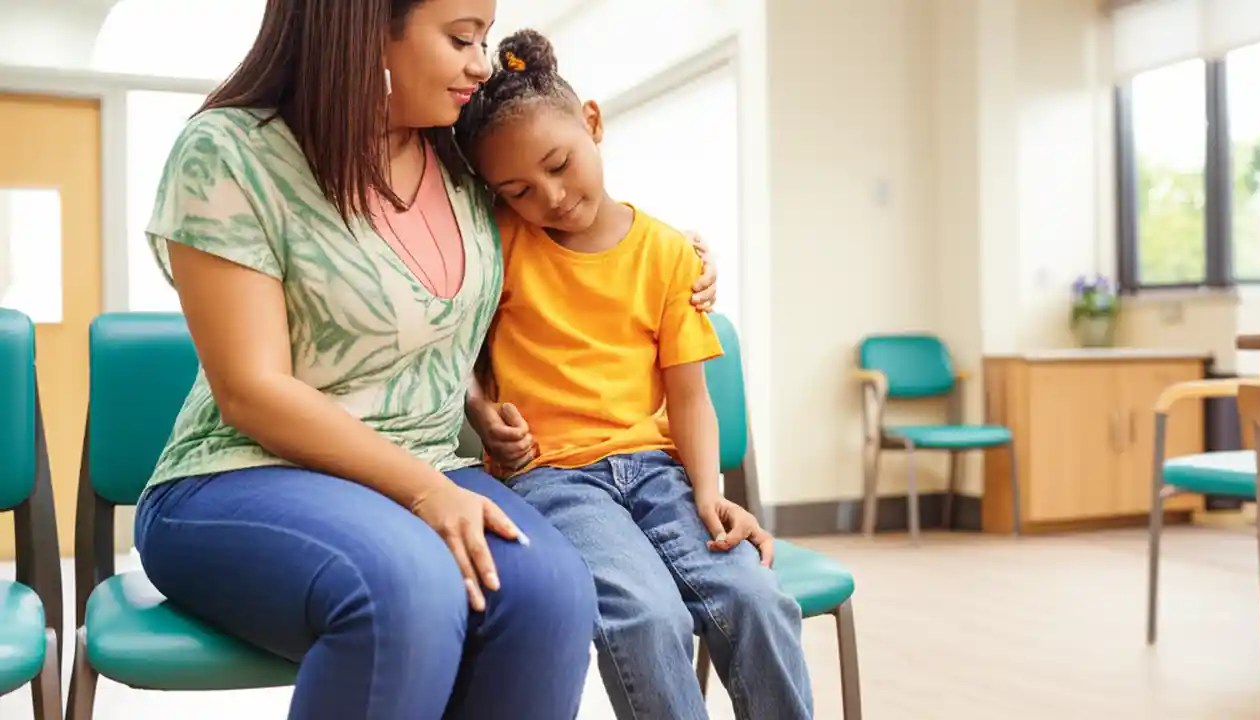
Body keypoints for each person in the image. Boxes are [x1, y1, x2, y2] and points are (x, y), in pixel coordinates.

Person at [131, 1, 718, 719]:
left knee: (552, 591)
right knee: (404, 587)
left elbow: (570, 244)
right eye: (461, 38)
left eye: (484, 38)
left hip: (430, 467)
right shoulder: (230, 153)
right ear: (366, 27)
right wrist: (423, 490)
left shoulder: (462, 162)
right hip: (242, 472)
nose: (481, 61)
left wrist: (682, 256)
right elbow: (251, 391)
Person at [456, 30, 814, 720]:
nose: (551, 198)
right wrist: (479, 409)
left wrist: (709, 493)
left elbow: (690, 396)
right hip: (553, 479)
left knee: (757, 599)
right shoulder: (498, 239)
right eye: (519, 190)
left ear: (592, 122)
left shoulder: (670, 253)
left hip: (657, 470)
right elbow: (453, 349)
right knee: (647, 617)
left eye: (559, 164)